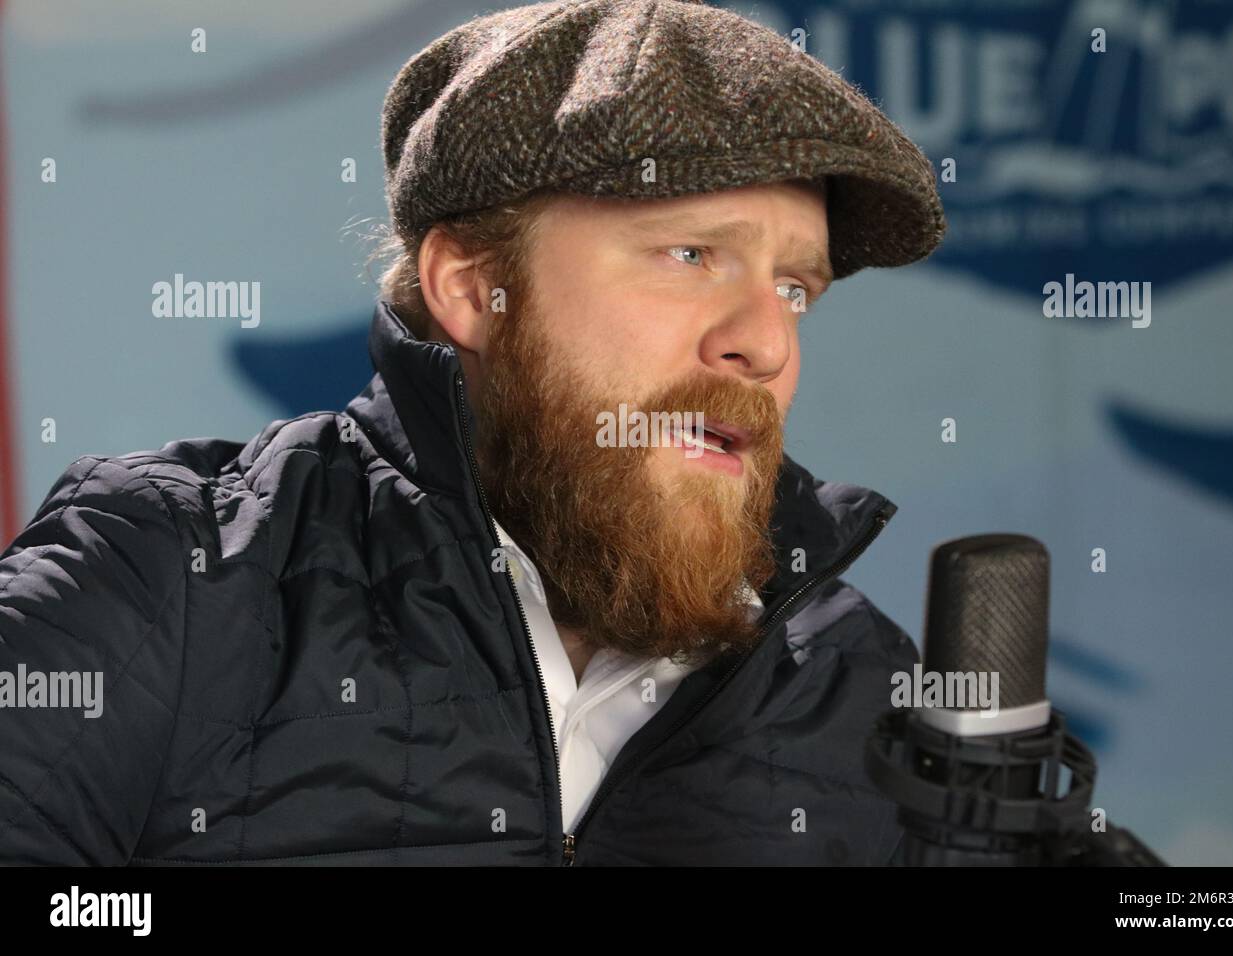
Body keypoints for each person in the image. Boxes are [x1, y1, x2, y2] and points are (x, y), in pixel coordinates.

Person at [0, 0, 944, 865]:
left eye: (794, 290)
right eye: (691, 254)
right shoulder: (163, 573)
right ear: (470, 287)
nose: (767, 342)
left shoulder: (854, 677)